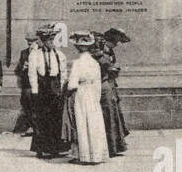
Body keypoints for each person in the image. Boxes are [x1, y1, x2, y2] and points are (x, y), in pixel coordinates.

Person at [66, 32, 109, 164]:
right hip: (92, 92)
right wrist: (96, 98)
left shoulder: (77, 63)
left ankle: (83, 155)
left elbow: (72, 84)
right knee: (94, 122)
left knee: (81, 122)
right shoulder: (95, 63)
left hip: (81, 92)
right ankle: (96, 154)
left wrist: (67, 88)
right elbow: (97, 84)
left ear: (78, 48)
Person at [28, 24, 68, 158]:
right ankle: (41, 148)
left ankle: (55, 148)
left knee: (55, 118)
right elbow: (32, 73)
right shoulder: (35, 54)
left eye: (53, 40)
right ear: (43, 41)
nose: (52, 43)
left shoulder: (59, 54)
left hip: (55, 88)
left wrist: (62, 89)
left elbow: (63, 73)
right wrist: (35, 90)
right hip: (42, 88)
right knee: (42, 118)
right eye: (49, 40)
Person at [97, 28, 131, 156]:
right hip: (104, 85)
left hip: (111, 85)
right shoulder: (100, 52)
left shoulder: (109, 50)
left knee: (113, 114)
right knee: (107, 115)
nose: (116, 45)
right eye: (115, 42)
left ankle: (115, 146)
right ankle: (109, 147)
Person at [11, 30, 39, 135]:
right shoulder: (24, 53)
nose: (30, 43)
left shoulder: (41, 52)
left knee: (36, 108)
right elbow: (17, 70)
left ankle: (36, 129)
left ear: (37, 41)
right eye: (28, 41)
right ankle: (30, 127)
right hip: (27, 85)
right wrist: (23, 67)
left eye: (32, 41)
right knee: (27, 106)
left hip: (38, 85)